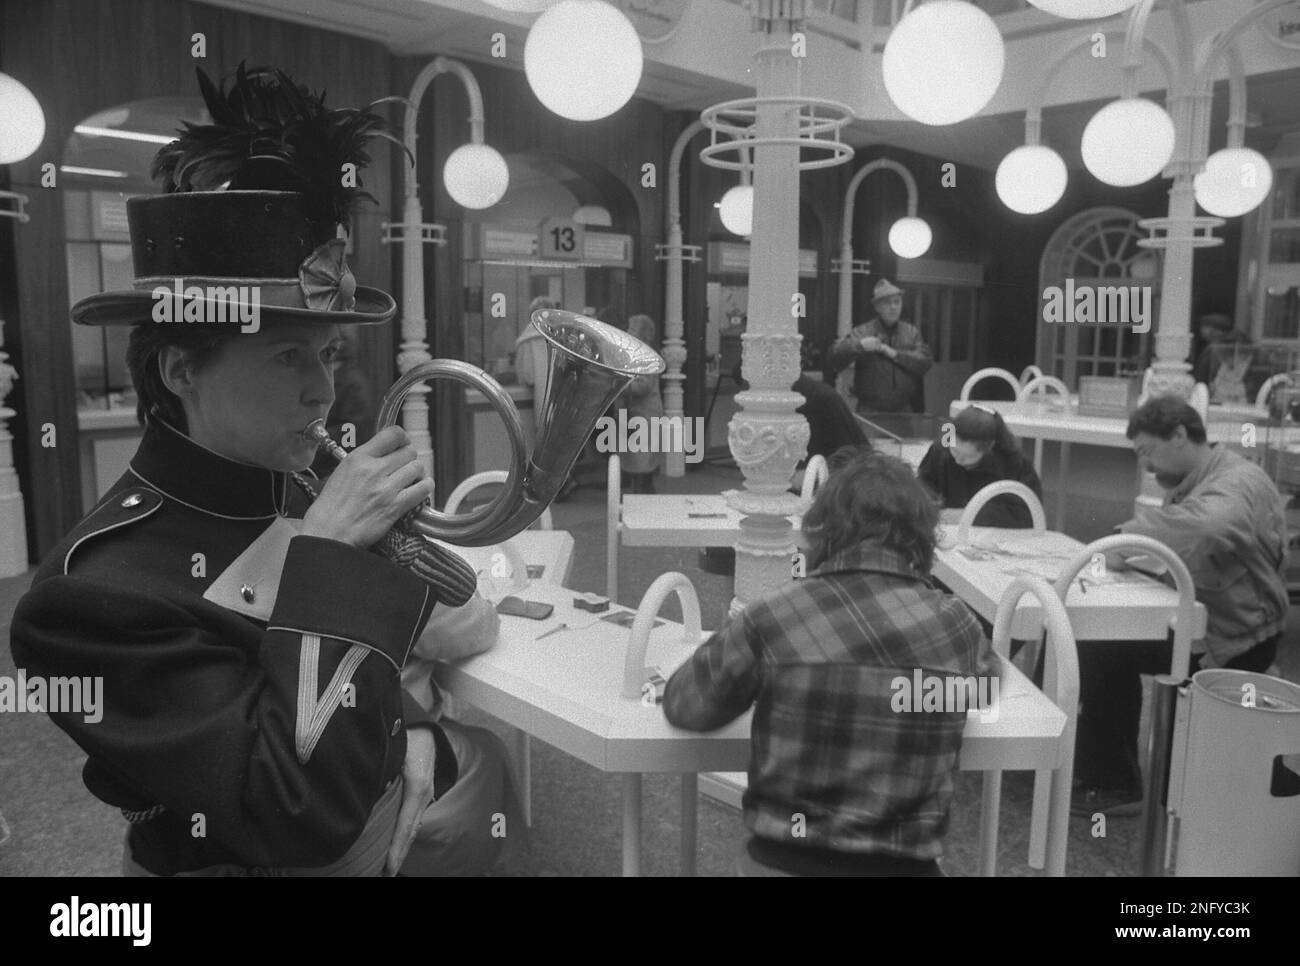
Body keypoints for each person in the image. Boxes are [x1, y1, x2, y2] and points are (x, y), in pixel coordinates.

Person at [9, 65, 522, 876]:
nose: (320, 386)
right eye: (287, 355)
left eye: (326, 353)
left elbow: (418, 635)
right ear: (182, 370)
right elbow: (289, 810)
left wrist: (411, 718)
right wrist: (332, 559)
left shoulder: (288, 482)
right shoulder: (88, 597)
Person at [664, 451, 992, 876]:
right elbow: (984, 694)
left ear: (822, 530)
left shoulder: (774, 616)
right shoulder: (956, 625)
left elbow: (688, 706)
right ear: (922, 537)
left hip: (785, 862)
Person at [1072, 396, 1288, 816]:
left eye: (1148, 452)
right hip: (1220, 624)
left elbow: (1209, 526)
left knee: (1103, 642)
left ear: (1180, 435)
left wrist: (1125, 537)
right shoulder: (1208, 479)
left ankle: (1117, 783)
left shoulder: (1236, 480)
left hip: (1235, 639)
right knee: (1100, 636)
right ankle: (1098, 768)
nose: (1147, 467)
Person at [826, 279, 932, 430]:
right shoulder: (862, 332)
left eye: (897, 302)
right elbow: (834, 357)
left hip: (904, 411)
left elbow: (925, 362)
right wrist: (859, 345)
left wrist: (895, 354)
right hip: (869, 411)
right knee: (869, 452)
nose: (893, 307)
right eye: (887, 303)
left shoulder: (912, 332)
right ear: (877, 307)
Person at [917, 405, 1043, 528]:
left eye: (968, 456)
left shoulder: (1014, 464)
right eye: (954, 451)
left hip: (997, 538)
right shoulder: (940, 451)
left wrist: (970, 515)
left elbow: (1028, 515)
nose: (958, 460)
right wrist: (930, 507)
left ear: (989, 448)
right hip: (947, 532)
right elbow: (922, 489)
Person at [619, 314, 665, 493]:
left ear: (643, 335)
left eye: (632, 329)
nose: (627, 331)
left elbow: (644, 387)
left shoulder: (648, 357)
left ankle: (643, 495)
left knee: (641, 460)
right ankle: (640, 493)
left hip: (646, 415)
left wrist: (619, 384)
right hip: (636, 414)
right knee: (636, 458)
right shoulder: (634, 354)